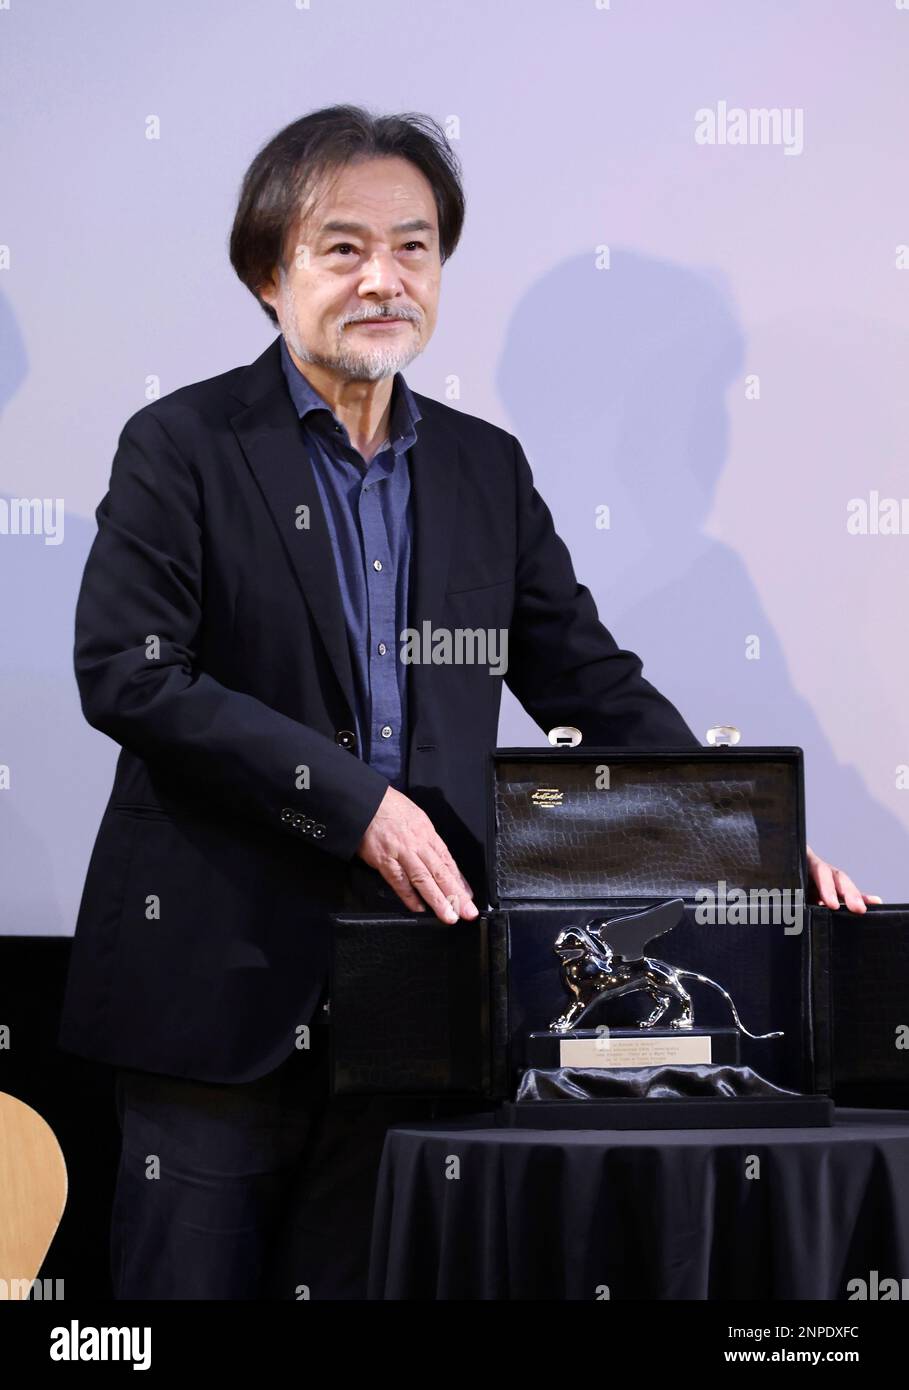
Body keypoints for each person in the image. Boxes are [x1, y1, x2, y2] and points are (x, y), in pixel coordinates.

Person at [58, 104, 878, 1300]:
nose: (384, 278)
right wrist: (356, 807)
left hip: (421, 1004)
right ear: (267, 271)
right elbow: (130, 674)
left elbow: (589, 686)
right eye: (343, 248)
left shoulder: (482, 467)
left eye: (416, 245)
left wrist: (744, 837)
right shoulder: (181, 444)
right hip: (215, 998)